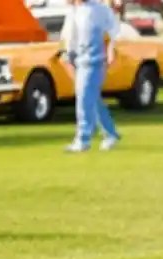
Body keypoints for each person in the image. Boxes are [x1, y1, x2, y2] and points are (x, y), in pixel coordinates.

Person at [63, 0, 122, 153]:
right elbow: (71, 37)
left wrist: (111, 51)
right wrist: (69, 56)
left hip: (94, 60)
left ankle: (83, 139)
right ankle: (110, 133)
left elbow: (113, 31)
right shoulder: (73, 11)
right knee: (92, 99)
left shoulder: (98, 10)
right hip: (79, 60)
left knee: (84, 98)